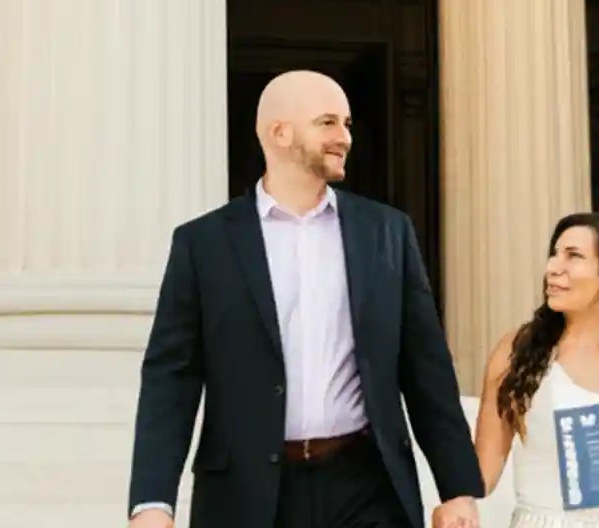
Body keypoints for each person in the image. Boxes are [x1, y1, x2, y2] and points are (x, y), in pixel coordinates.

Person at [127, 70, 483, 528]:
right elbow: (171, 378)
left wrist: (457, 489)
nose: (344, 137)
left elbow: (426, 365)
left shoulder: (387, 233)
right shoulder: (203, 244)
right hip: (248, 495)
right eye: (327, 122)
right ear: (280, 133)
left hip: (367, 486)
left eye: (347, 124)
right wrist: (152, 501)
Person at [451, 213, 599, 528]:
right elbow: (482, 474)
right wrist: (456, 499)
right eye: (554, 254)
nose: (553, 267)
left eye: (573, 256)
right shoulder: (517, 351)